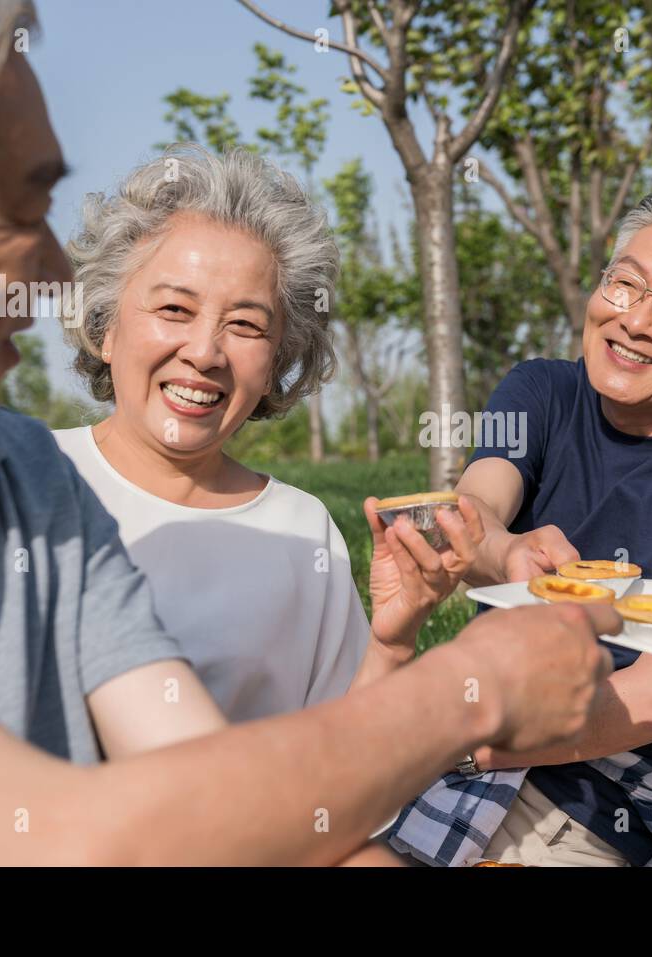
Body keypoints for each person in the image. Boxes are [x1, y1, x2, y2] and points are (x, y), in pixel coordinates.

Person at [0, 0, 614, 865]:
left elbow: (206, 793)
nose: (50, 270)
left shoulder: (34, 484)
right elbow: (59, 836)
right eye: (15, 211)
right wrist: (474, 688)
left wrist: (407, 663)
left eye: (246, 324)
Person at [389, 187, 652, 867]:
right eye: (627, 284)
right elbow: (475, 509)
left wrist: (461, 738)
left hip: (615, 784)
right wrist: (509, 548)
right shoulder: (541, 390)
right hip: (495, 738)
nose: (637, 322)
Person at [54, 145, 483, 717]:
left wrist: (391, 644)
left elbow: (339, 763)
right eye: (175, 311)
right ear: (105, 329)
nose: (205, 353)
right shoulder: (28, 483)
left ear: (279, 359)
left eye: (245, 325)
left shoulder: (302, 532)